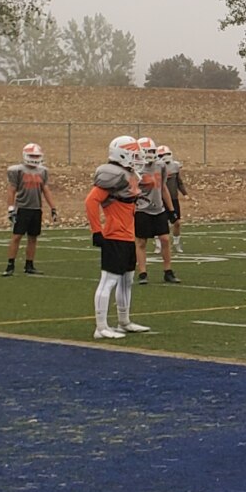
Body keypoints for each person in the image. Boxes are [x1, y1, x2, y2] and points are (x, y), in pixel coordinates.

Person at [86, 135, 151, 339]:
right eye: (134, 155)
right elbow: (91, 201)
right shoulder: (112, 175)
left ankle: (124, 321)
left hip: (127, 236)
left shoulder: (128, 175)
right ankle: (101, 326)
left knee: (126, 280)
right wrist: (96, 230)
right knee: (108, 281)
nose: (138, 159)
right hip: (114, 235)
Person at [4, 142, 58, 276]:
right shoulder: (17, 170)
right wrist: (11, 208)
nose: (34, 157)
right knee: (17, 237)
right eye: (32, 155)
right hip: (22, 208)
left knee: (33, 238)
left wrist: (53, 208)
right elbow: (11, 190)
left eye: (36, 155)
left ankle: (29, 265)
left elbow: (45, 190)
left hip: (36, 208)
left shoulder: (42, 171)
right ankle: (10, 265)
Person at [132, 137, 178, 284]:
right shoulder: (136, 168)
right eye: (147, 151)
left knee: (165, 239)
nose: (150, 154)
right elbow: (131, 191)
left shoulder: (160, 165)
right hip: (142, 209)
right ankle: (143, 273)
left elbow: (163, 187)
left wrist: (171, 210)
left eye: (152, 151)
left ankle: (168, 271)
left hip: (159, 209)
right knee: (141, 242)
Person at [158, 145, 189, 253]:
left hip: (173, 199)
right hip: (160, 199)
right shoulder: (157, 167)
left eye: (166, 154)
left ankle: (176, 242)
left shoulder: (175, 166)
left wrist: (185, 193)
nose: (165, 157)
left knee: (177, 222)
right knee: (162, 223)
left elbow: (179, 182)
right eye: (162, 155)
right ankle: (159, 245)